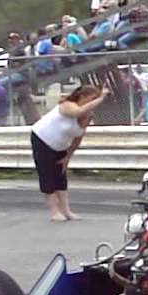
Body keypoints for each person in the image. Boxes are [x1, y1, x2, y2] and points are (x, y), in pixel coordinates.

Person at [30, 85, 111, 221]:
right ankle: (54, 211)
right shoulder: (67, 105)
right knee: (47, 174)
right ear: (82, 97)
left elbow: (78, 138)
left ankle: (66, 210)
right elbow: (78, 111)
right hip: (42, 139)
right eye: (91, 100)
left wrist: (68, 156)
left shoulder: (88, 115)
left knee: (61, 176)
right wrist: (102, 98)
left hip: (61, 146)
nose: (93, 104)